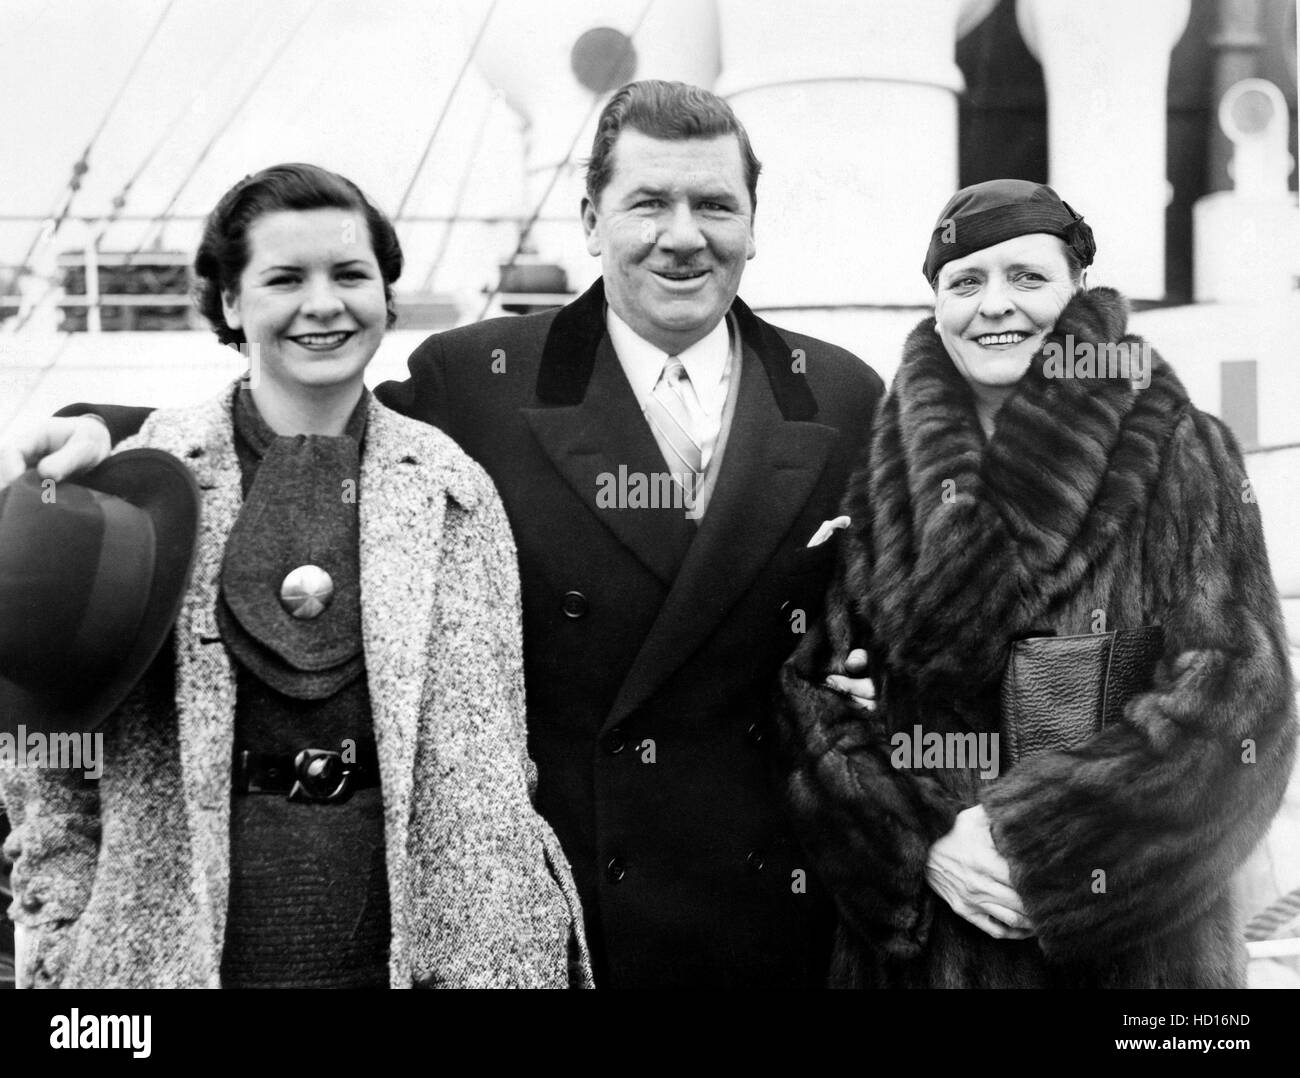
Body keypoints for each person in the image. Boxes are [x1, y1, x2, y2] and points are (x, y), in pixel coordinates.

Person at [0, 81, 885, 988]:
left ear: (751, 220)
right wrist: (104, 438)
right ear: (591, 218)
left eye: (714, 205)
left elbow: (902, 603)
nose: (684, 235)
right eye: (649, 202)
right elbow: (308, 436)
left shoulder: (844, 393)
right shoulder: (479, 380)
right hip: (584, 904)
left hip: (775, 917)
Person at [0, 163, 591, 989]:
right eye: (285, 279)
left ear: (386, 295)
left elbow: (492, 754)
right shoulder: (136, 489)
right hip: (171, 958)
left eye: (351, 275)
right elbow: (48, 752)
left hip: (407, 955)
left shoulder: (455, 490)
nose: (325, 304)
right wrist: (57, 934)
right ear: (232, 304)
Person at [778, 178, 1298, 988]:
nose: (995, 305)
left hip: (1121, 959)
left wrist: (1041, 849)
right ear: (937, 304)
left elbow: (1242, 699)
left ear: (1078, 290)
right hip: (920, 952)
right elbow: (817, 693)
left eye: (1027, 277)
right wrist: (921, 844)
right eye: (966, 282)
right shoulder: (888, 468)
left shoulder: (1180, 450)